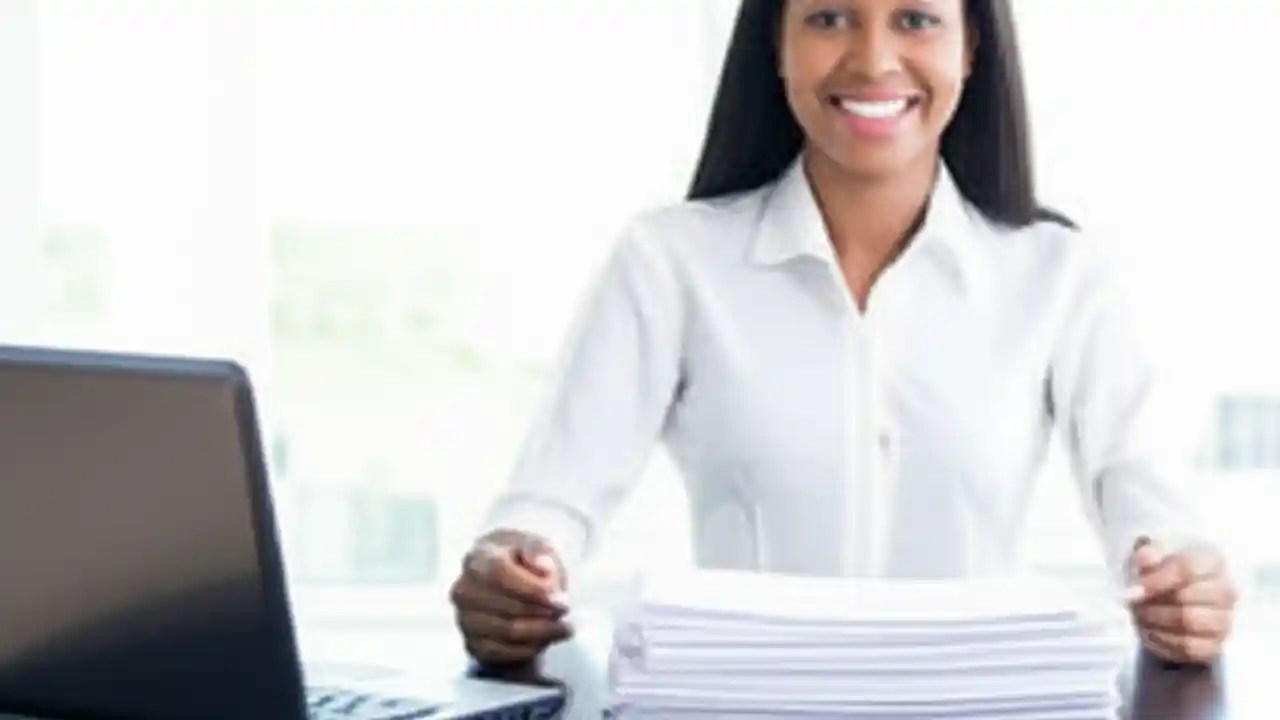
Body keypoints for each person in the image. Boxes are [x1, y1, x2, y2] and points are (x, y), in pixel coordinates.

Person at [449, 0, 1236, 667]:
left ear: (971, 50)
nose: (873, 59)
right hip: (744, 701)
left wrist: (1183, 584)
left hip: (977, 701)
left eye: (916, 20)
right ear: (777, 48)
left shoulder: (1058, 274)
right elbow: (553, 501)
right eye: (828, 18)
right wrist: (515, 568)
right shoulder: (670, 260)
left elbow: (1155, 515)